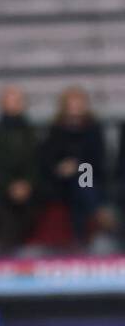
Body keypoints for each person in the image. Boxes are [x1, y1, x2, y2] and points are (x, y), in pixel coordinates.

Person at [37, 86, 115, 247]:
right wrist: (61, 168)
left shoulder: (93, 129)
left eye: (79, 102)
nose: (75, 107)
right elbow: (47, 160)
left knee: (81, 180)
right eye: (72, 103)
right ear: (64, 105)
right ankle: (98, 211)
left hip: (89, 179)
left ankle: (80, 238)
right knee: (78, 183)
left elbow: (98, 160)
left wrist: (77, 165)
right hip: (60, 184)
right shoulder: (55, 130)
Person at [0, 85, 40, 253]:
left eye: (17, 101)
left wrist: (27, 184)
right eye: (9, 101)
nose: (13, 105)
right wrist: (10, 186)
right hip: (0, 192)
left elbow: (36, 163)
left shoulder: (32, 132)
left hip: (29, 192)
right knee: (5, 215)